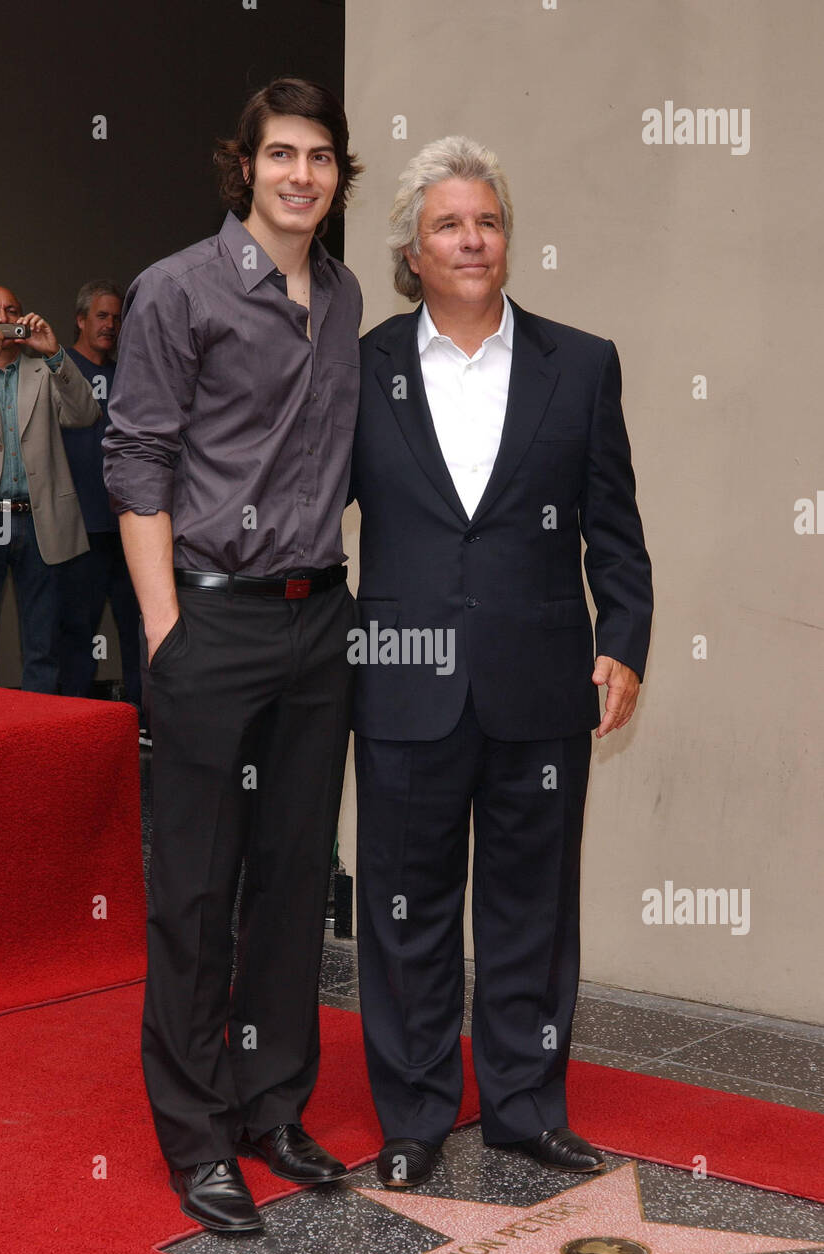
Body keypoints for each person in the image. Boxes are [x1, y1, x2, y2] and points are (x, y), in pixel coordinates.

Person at [349, 136, 653, 1189]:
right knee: (405, 908)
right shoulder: (362, 366)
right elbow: (301, 515)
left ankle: (525, 1109)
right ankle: (415, 1115)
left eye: (487, 221)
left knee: (532, 907)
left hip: (541, 683)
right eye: (449, 223)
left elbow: (614, 525)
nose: (472, 239)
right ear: (412, 250)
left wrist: (624, 639)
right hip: (400, 677)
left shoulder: (583, 362)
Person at [102, 78, 363, 1233]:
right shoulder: (176, 288)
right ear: (244, 167)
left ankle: (270, 1104)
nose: (300, 174)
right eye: (280, 156)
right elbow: (138, 457)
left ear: (338, 176)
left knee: (297, 882)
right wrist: (165, 629)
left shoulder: (347, 297)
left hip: (321, 621)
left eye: (319, 157)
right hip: (211, 618)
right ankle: (199, 1135)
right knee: (198, 893)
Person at [0, 288, 99, 692]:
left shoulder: (42, 370)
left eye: (11, 310)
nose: (2, 316)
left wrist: (54, 354)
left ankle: (37, 744)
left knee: (43, 644)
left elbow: (86, 413)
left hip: (38, 517)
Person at [57, 280, 143, 722]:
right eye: (101, 316)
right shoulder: (57, 370)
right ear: (80, 320)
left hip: (128, 525)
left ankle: (140, 719)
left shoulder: (128, 372)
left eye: (116, 317)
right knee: (77, 630)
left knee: (138, 627)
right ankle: (72, 723)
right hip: (79, 527)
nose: (110, 325)